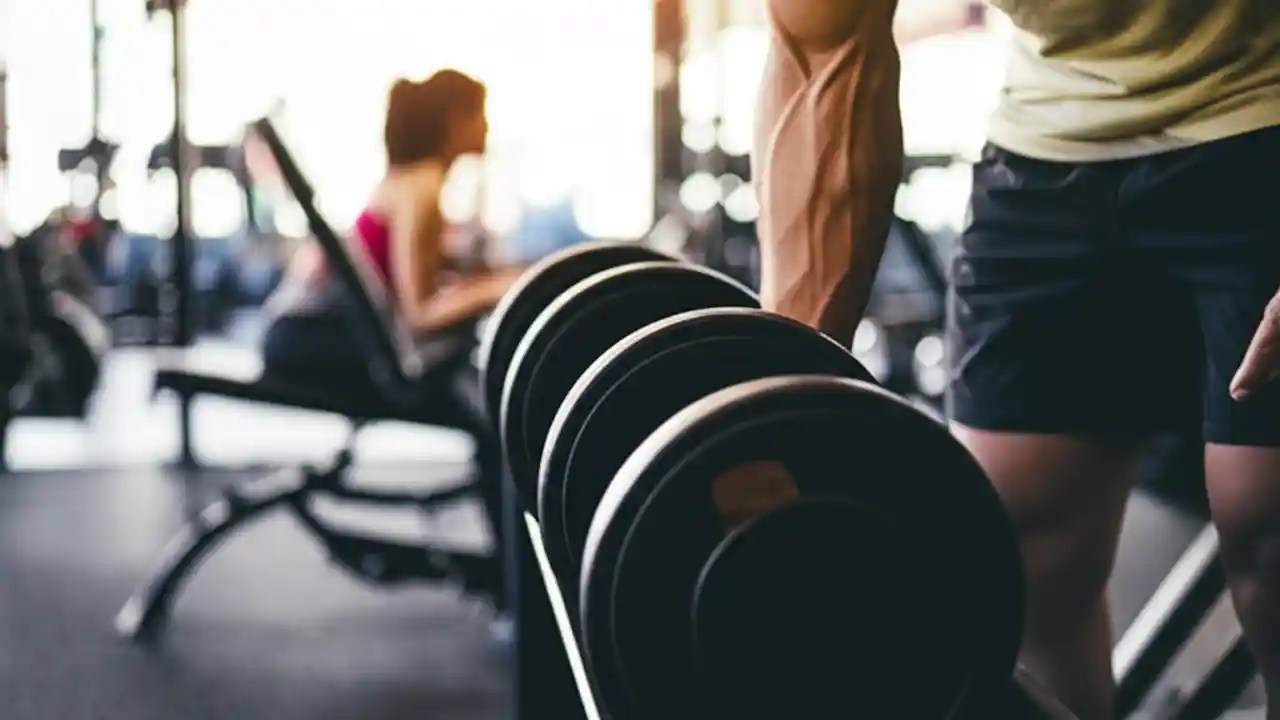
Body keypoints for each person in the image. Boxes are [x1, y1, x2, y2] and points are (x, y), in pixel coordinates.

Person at [754, 2, 1279, 718]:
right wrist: (775, 406)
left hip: (1264, 119)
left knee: (1268, 518)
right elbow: (823, 57)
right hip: (1054, 148)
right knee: (1013, 546)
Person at [262, 69, 519, 381]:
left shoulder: (408, 180)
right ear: (454, 120)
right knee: (460, 358)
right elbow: (420, 314)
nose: (488, 126)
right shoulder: (422, 186)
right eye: (481, 114)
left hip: (294, 333)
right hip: (307, 334)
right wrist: (499, 289)